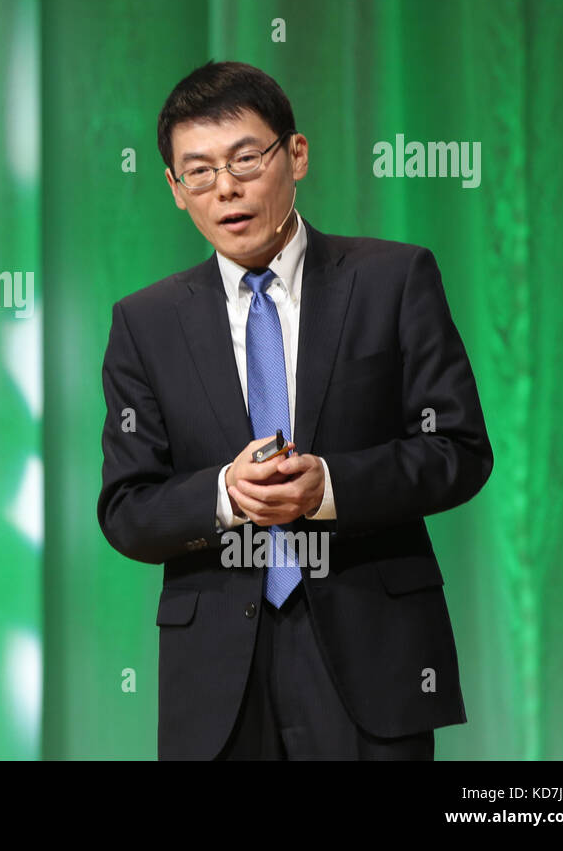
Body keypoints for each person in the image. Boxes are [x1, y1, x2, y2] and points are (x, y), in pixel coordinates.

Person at [97, 61, 493, 760]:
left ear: (296, 154)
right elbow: (127, 507)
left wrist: (330, 487)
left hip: (370, 650)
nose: (226, 187)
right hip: (219, 673)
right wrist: (222, 495)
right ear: (174, 189)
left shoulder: (392, 280)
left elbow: (459, 449)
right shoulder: (145, 322)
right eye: (199, 171)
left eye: (246, 158)